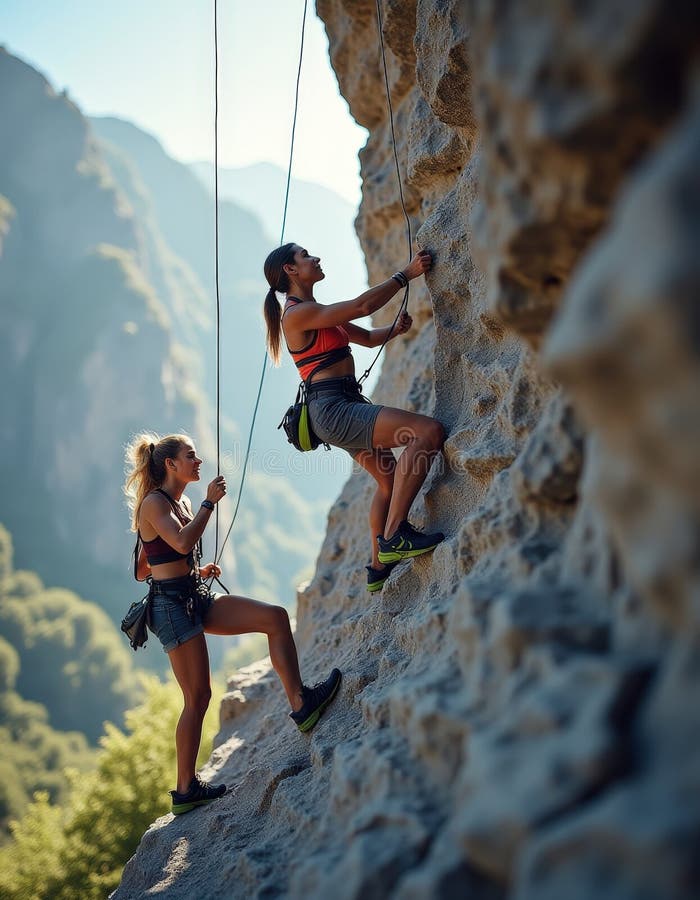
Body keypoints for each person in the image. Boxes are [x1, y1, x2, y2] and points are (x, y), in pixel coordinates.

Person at [123, 432, 342, 815]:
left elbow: (149, 565)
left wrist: (193, 569)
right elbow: (178, 544)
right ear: (171, 464)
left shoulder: (179, 502)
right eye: (191, 456)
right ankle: (185, 789)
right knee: (198, 697)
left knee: (275, 618)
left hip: (192, 595)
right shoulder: (154, 503)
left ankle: (302, 703)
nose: (198, 461)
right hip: (172, 609)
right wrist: (208, 504)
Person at [263, 243, 446, 593]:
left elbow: (369, 338)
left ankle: (378, 568)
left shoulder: (316, 312)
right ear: (290, 270)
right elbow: (363, 307)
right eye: (305, 256)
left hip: (336, 408)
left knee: (388, 480)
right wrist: (405, 275)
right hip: (335, 409)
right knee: (427, 432)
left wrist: (394, 330)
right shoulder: (297, 314)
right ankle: (394, 537)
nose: (316, 258)